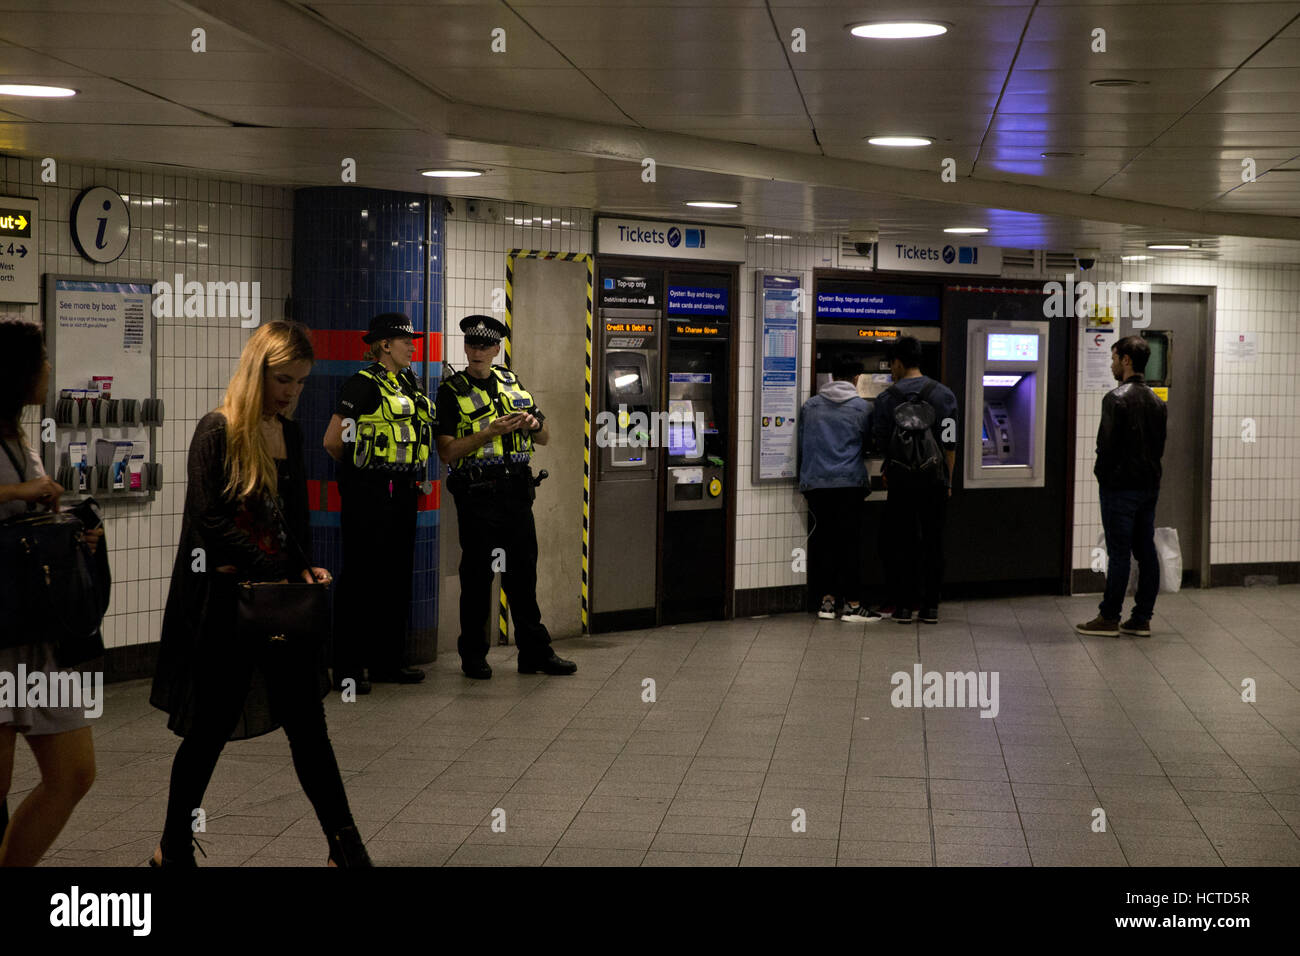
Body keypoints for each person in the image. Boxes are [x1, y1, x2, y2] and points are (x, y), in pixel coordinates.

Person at [149, 321, 370, 867]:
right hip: (223, 605)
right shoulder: (217, 431)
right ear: (257, 372)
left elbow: (294, 521)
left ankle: (345, 844)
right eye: (282, 379)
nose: (291, 392)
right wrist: (275, 565)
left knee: (308, 727)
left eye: (299, 382)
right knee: (209, 729)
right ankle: (173, 846)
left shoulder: (289, 435)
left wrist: (303, 568)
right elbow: (207, 518)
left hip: (278, 603)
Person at [0, 318, 103, 866]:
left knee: (74, 772)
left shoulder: (19, 433)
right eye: (40, 360)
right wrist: (21, 490)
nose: (47, 369)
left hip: (38, 628)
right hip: (1, 625)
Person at [434, 315, 576, 680]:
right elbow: (447, 452)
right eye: (471, 345)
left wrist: (533, 425)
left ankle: (534, 653)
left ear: (497, 349)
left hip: (516, 493)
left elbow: (545, 438)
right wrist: (488, 432)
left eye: (485, 346)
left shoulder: (512, 383)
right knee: (478, 578)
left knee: (523, 576)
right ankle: (473, 656)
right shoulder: (451, 391)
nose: (477, 352)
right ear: (466, 348)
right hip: (478, 495)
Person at [323, 313, 434, 692]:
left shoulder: (409, 384)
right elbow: (333, 442)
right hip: (368, 494)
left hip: (403, 491)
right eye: (406, 341)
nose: (412, 346)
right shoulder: (362, 385)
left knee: (396, 577)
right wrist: (365, 475)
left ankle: (389, 662)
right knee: (360, 580)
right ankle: (349, 669)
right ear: (384, 345)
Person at [1076, 336, 1167, 638]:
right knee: (1145, 550)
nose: (1112, 364)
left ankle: (1109, 617)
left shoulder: (1116, 398)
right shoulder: (1158, 401)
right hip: (1149, 487)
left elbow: (1107, 447)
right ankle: (1141, 617)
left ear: (1127, 360)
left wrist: (1102, 476)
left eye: (1114, 358)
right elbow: (1158, 447)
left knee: (1118, 553)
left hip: (1119, 488)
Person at [872, 335, 958, 625]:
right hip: (934, 480)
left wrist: (889, 468)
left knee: (902, 542)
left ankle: (904, 607)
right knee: (933, 542)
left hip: (900, 481)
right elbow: (949, 442)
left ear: (897, 362)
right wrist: (947, 479)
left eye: (891, 365)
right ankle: (930, 607)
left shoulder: (886, 398)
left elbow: (881, 441)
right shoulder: (944, 395)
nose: (891, 370)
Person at [798, 357, 880, 623]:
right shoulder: (861, 408)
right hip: (848, 485)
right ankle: (854, 605)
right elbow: (869, 443)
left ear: (833, 376)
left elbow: (802, 443)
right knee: (849, 544)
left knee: (823, 543)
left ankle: (827, 602)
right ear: (856, 378)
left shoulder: (810, 407)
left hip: (817, 485)